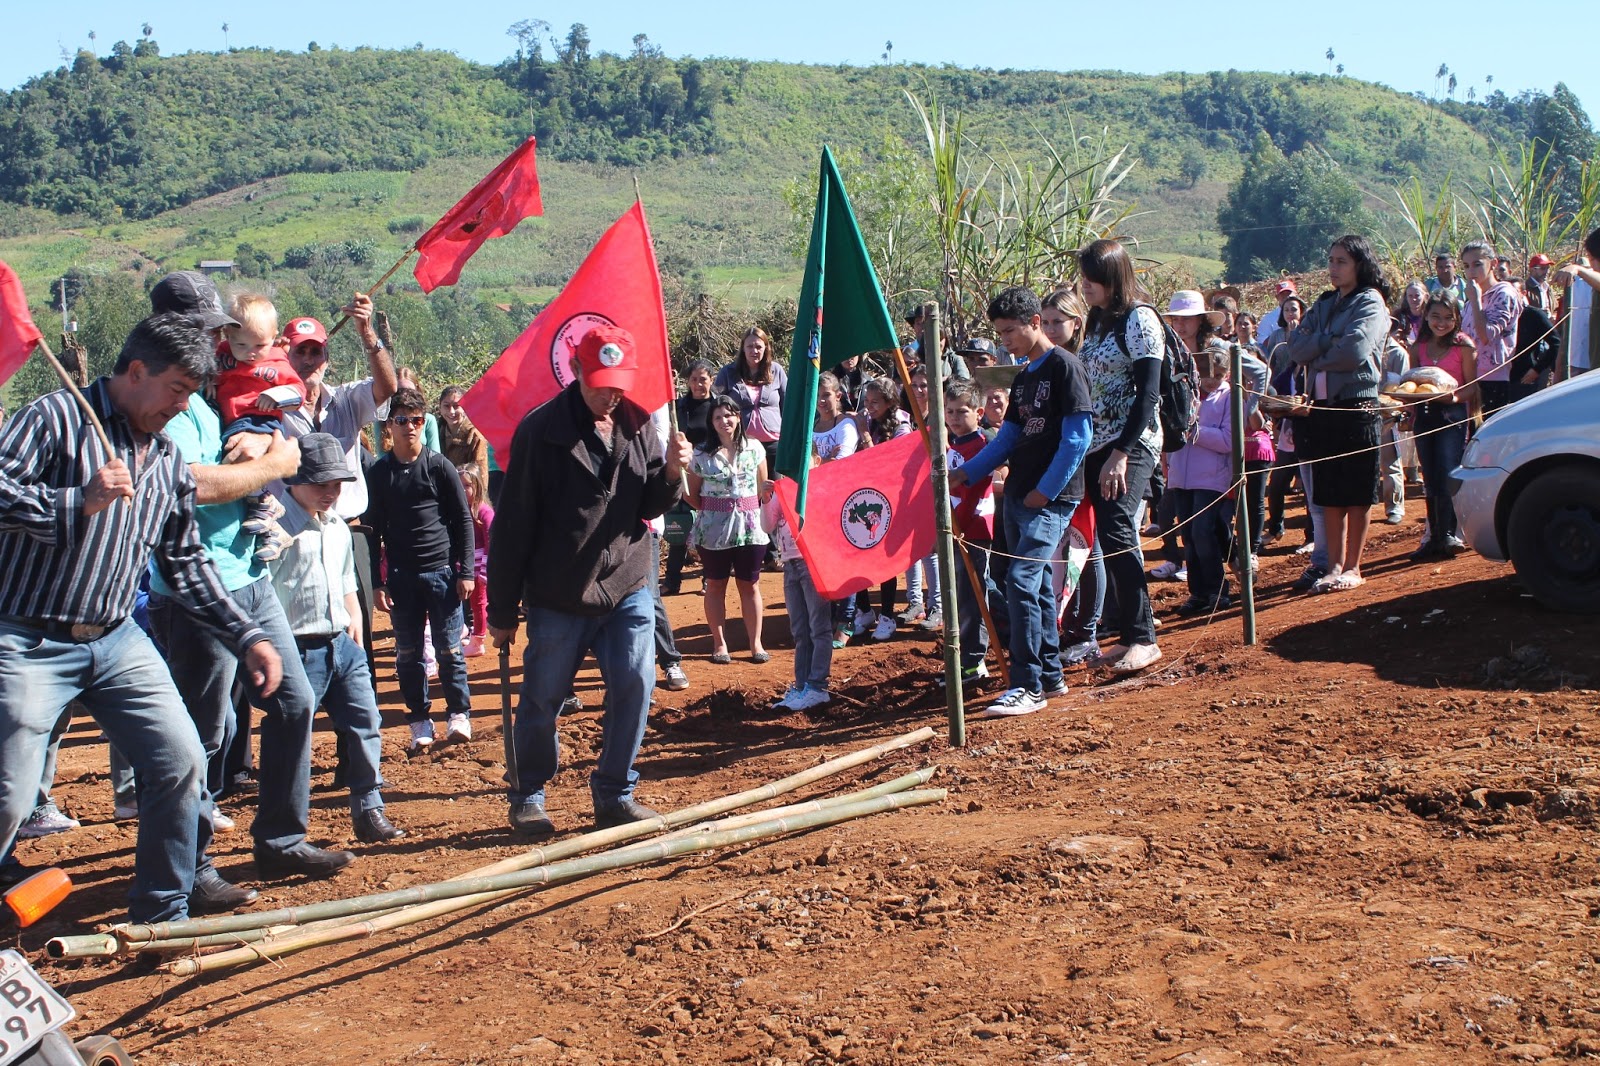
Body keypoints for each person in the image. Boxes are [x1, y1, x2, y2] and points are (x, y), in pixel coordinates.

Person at [0, 312, 286, 918]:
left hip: (117, 640)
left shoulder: (163, 462)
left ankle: (162, 911)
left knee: (180, 761)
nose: (183, 408)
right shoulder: (54, 417)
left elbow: (185, 563)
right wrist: (75, 501)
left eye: (191, 394)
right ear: (136, 372)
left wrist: (247, 635)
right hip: (25, 637)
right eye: (178, 390)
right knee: (8, 795)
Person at [487, 325, 690, 834]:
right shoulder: (540, 431)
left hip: (626, 581)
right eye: (601, 381)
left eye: (619, 382)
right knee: (543, 697)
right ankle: (529, 793)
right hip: (560, 591)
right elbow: (513, 525)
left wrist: (669, 476)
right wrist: (503, 609)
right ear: (575, 371)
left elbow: (645, 506)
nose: (611, 392)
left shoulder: (639, 423)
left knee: (635, 683)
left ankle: (615, 791)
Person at [951, 286, 1093, 714]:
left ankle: (1028, 684)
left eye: (1011, 330)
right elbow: (1010, 435)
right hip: (1019, 494)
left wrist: (1044, 491)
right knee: (1029, 585)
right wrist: (967, 472)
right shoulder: (1027, 374)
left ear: (1036, 323)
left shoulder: (1065, 368)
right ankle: (1049, 677)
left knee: (1022, 583)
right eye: (1000, 332)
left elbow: (1077, 439)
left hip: (1047, 498)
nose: (1005, 340)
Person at [269, 433, 404, 843]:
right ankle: (284, 831)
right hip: (296, 646)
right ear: (293, 479)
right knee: (292, 740)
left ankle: (369, 809)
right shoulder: (274, 529)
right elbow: (263, 591)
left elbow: (347, 577)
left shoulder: (338, 528)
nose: (330, 493)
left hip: (341, 643)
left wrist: (355, 619)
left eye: (336, 485)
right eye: (320, 484)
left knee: (366, 721)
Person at [369, 386, 476, 753]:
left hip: (443, 574)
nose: (410, 427)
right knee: (408, 654)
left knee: (449, 649)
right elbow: (372, 530)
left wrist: (465, 573)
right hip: (400, 577)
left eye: (416, 420)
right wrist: (376, 582)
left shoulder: (439, 465)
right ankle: (419, 721)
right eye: (402, 420)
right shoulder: (380, 472)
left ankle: (459, 714)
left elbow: (463, 520)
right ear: (390, 425)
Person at [1288, 234, 1389, 593]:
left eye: (1341, 261)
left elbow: (1356, 350)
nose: (1333, 267)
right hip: (1323, 408)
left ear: (1359, 264)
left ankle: (1353, 567)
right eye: (1330, 260)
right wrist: (1330, 341)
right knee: (1329, 492)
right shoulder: (1325, 303)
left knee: (1357, 492)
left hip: (1357, 407)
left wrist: (1319, 350)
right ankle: (1331, 566)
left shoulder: (1371, 302)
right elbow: (1295, 347)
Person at [214, 293, 305, 561]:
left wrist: (277, 396)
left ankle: (264, 500)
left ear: (274, 337)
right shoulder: (222, 354)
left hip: (260, 418)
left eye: (259, 345)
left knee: (238, 458)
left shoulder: (276, 361)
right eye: (240, 344)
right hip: (231, 417)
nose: (250, 352)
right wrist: (209, 380)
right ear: (227, 336)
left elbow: (298, 392)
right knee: (234, 467)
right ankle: (272, 531)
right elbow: (209, 367)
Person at [687, 393, 771, 664]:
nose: (725, 421)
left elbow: (763, 488)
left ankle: (755, 644)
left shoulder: (755, 448)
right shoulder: (700, 454)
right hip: (712, 530)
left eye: (729, 415)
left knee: (750, 585)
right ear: (711, 422)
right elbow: (690, 493)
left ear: (738, 417)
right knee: (716, 585)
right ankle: (719, 644)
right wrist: (713, 508)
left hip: (750, 528)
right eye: (718, 416)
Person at [1406, 294, 1477, 561]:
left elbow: (1472, 386)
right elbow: (1411, 384)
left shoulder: (1464, 346)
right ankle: (1434, 536)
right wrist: (1408, 410)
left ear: (1457, 319)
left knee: (1447, 471)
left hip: (1452, 415)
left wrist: (1454, 397)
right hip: (1424, 415)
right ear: (1426, 316)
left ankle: (1449, 533)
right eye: (1436, 316)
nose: (1442, 322)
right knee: (1430, 476)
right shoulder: (1419, 347)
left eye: (1449, 317)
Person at [1167, 343, 1236, 615]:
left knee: (1202, 532)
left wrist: (1194, 430)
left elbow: (1229, 440)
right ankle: (1198, 593)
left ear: (1227, 375)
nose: (1211, 379)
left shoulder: (1229, 397)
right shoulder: (1188, 391)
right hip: (1181, 476)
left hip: (1212, 477)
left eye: (1218, 375)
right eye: (1208, 372)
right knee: (1189, 536)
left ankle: (1218, 590)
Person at [763, 470, 832, 712]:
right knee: (800, 629)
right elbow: (767, 525)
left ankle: (817, 686)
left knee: (818, 626)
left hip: (811, 563)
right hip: (790, 564)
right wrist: (767, 498)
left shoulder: (817, 489)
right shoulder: (781, 493)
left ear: (816, 463)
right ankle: (803, 685)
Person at [942, 381, 997, 686]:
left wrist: (958, 526)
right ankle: (962, 656)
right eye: (949, 411)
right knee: (959, 594)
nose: (954, 417)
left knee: (974, 595)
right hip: (954, 530)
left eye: (961, 411)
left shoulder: (982, 447)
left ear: (978, 412)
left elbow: (974, 490)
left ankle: (974, 661)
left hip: (973, 530)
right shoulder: (951, 446)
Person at [851, 377, 912, 643]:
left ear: (890, 402)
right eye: (867, 401)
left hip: (891, 501)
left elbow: (887, 464)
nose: (869, 407)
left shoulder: (902, 425)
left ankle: (887, 615)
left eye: (875, 402)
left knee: (886, 563)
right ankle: (864, 610)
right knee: (860, 554)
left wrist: (864, 435)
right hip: (865, 497)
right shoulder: (866, 420)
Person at [663, 360, 716, 596]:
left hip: (709, 475)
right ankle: (672, 581)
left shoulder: (718, 406)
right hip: (683, 473)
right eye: (694, 379)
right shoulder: (678, 407)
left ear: (712, 381)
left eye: (703, 379)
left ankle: (708, 579)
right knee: (678, 526)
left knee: (707, 526)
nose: (698, 384)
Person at [1460, 240, 1523, 415]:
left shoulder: (1503, 293)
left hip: (1493, 378)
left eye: (1477, 265)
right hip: (1471, 377)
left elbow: (1486, 335)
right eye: (1466, 266)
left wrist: (1475, 301)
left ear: (1493, 264)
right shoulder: (1473, 296)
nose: (1471, 272)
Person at [713, 327, 786, 474]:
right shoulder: (728, 373)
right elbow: (716, 404)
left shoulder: (776, 370)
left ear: (766, 348)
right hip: (741, 444)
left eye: (759, 346)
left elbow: (788, 404)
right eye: (750, 346)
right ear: (743, 348)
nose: (754, 350)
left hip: (774, 444)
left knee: (774, 492)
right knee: (748, 492)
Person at [458, 462, 493, 657]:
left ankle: (478, 640)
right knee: (464, 602)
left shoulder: (484, 512)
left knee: (479, 604)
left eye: (467, 485)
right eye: (459, 485)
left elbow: (491, 544)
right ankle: (465, 631)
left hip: (479, 570)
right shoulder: (461, 511)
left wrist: (485, 573)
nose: (463, 490)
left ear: (477, 486)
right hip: (465, 567)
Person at [438, 385, 489, 471]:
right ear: (440, 408)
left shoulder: (475, 436)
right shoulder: (437, 433)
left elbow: (481, 475)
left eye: (456, 406)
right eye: (446, 406)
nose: (451, 412)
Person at [1253, 279, 1299, 346]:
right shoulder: (1268, 319)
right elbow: (1262, 342)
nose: (1286, 297)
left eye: (1289, 294)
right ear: (1277, 297)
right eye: (1282, 295)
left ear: (1295, 295)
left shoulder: (1306, 316)